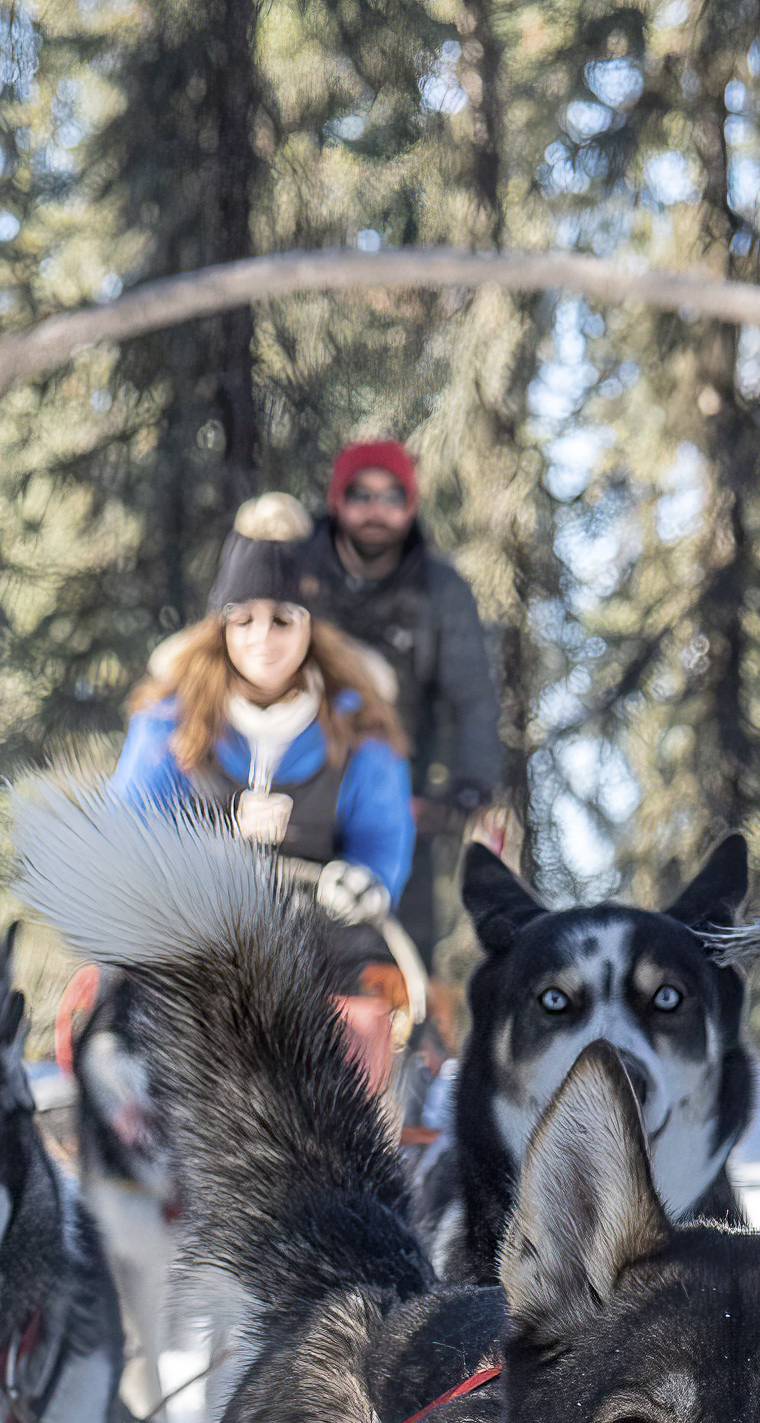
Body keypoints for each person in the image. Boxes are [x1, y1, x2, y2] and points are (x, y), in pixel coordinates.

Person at [105, 497, 422, 1096]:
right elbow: (130, 826)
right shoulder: (171, 719)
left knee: (365, 1024)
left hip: (322, 937)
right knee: (120, 1017)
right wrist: (223, 829)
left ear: (310, 625)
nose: (262, 639)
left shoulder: (357, 728)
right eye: (243, 619)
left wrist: (364, 881)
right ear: (221, 625)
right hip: (192, 926)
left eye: (282, 620)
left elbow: (382, 838)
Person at [295, 440, 501, 956]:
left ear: (411, 506)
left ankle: (408, 1027)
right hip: (303, 791)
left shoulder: (441, 589)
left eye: (392, 497)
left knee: (395, 949)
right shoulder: (300, 577)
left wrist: (468, 786)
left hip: (400, 795)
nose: (375, 510)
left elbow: (471, 696)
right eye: (361, 494)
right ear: (337, 501)